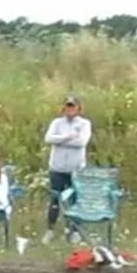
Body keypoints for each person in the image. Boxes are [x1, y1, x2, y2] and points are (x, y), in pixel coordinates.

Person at [42, 95, 92, 244]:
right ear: (63, 108)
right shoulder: (57, 122)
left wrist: (61, 140)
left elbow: (81, 142)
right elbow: (49, 139)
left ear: (78, 108)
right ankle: (50, 230)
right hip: (57, 167)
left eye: (73, 106)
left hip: (76, 168)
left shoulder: (84, 124)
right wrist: (68, 137)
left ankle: (74, 230)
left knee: (75, 200)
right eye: (67, 106)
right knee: (55, 199)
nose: (70, 109)